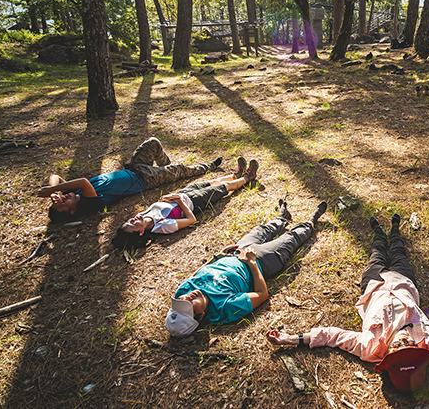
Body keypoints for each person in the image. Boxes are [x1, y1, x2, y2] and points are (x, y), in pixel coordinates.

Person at [266, 213, 429, 392]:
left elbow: (331, 336)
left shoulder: (369, 347)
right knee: (399, 251)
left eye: (398, 349)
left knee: (377, 253)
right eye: (410, 348)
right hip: (403, 282)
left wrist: (290, 339)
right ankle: (395, 228)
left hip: (374, 285)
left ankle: (379, 233)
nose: (404, 342)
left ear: (387, 357)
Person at [165, 199, 329, 335]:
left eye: (181, 301)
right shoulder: (224, 308)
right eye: (189, 305)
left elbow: (194, 276)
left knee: (262, 230)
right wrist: (252, 262)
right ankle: (311, 221)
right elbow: (262, 294)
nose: (187, 297)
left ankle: (282, 217)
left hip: (235, 252)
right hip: (261, 262)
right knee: (290, 239)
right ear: (200, 317)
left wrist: (216, 257)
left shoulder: (182, 291)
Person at [38, 137, 218, 222]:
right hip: (144, 179)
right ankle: (208, 167)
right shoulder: (88, 203)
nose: (62, 198)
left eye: (59, 200)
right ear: (72, 211)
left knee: (153, 143)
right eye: (62, 204)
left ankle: (166, 168)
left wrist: (53, 193)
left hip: (134, 168)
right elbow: (84, 182)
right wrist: (52, 191)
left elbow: (54, 177)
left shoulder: (73, 193)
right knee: (181, 170)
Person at [111, 157, 259, 250]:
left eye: (128, 221)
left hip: (184, 193)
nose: (132, 219)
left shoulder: (143, 215)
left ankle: (236, 175)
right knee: (224, 188)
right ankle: (248, 177)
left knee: (213, 181)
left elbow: (162, 205)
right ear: (141, 232)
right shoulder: (162, 226)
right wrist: (180, 202)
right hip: (194, 201)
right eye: (132, 224)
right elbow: (191, 220)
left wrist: (167, 198)